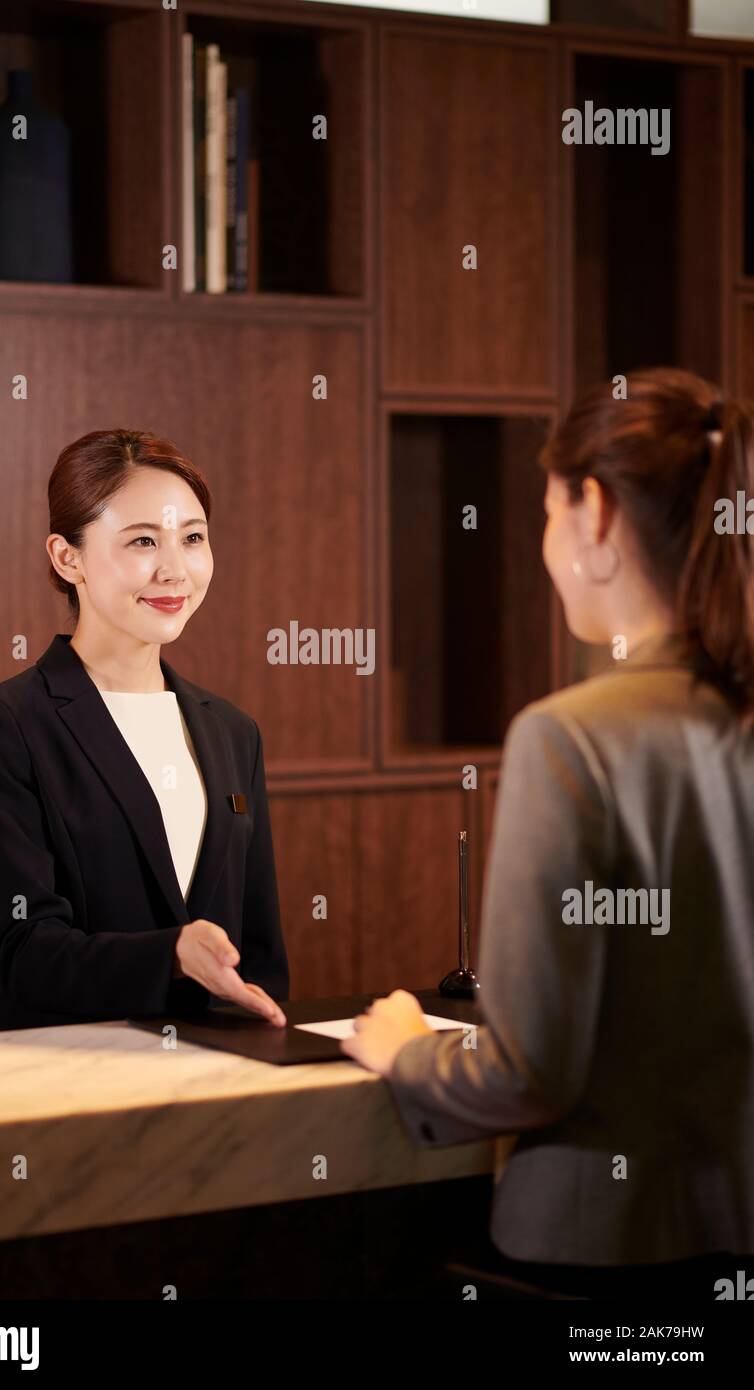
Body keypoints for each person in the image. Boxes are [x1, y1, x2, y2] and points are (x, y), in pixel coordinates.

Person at [343, 368, 754, 1297]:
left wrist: (409, 1045)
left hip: (599, 1257)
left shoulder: (568, 737)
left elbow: (528, 1073)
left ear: (596, 516)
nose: (544, 542)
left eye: (547, 511)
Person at [0, 429, 288, 1032]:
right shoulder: (8, 724)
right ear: (67, 557)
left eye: (192, 538)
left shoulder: (234, 732)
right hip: (68, 1080)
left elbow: (261, 956)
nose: (175, 569)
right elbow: (26, 952)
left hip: (216, 1077)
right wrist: (171, 956)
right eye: (142, 541)